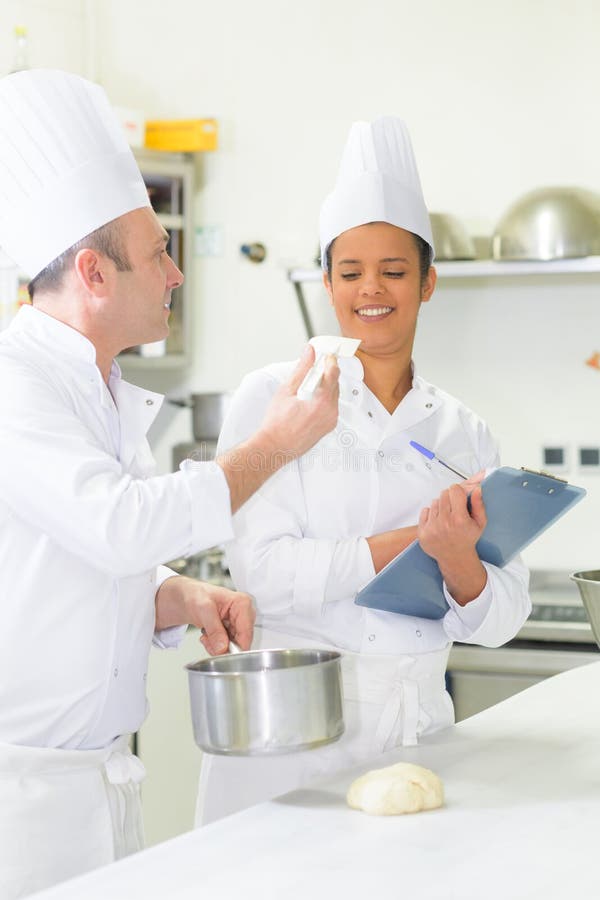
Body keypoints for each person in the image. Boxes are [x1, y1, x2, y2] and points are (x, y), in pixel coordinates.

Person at [0, 69, 339, 900]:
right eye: (159, 253)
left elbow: (73, 559)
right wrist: (275, 444)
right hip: (24, 799)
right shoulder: (17, 383)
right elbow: (119, 525)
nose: (177, 274)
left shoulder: (101, 385)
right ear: (94, 273)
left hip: (99, 784)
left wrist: (171, 595)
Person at [195, 117, 531, 825]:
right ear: (326, 282)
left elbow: (502, 617)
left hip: (418, 739)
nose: (371, 289)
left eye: (394, 270)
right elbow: (264, 573)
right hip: (293, 739)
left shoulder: (463, 432)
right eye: (350, 272)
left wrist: (459, 564)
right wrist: (420, 541)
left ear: (429, 281)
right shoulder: (274, 399)